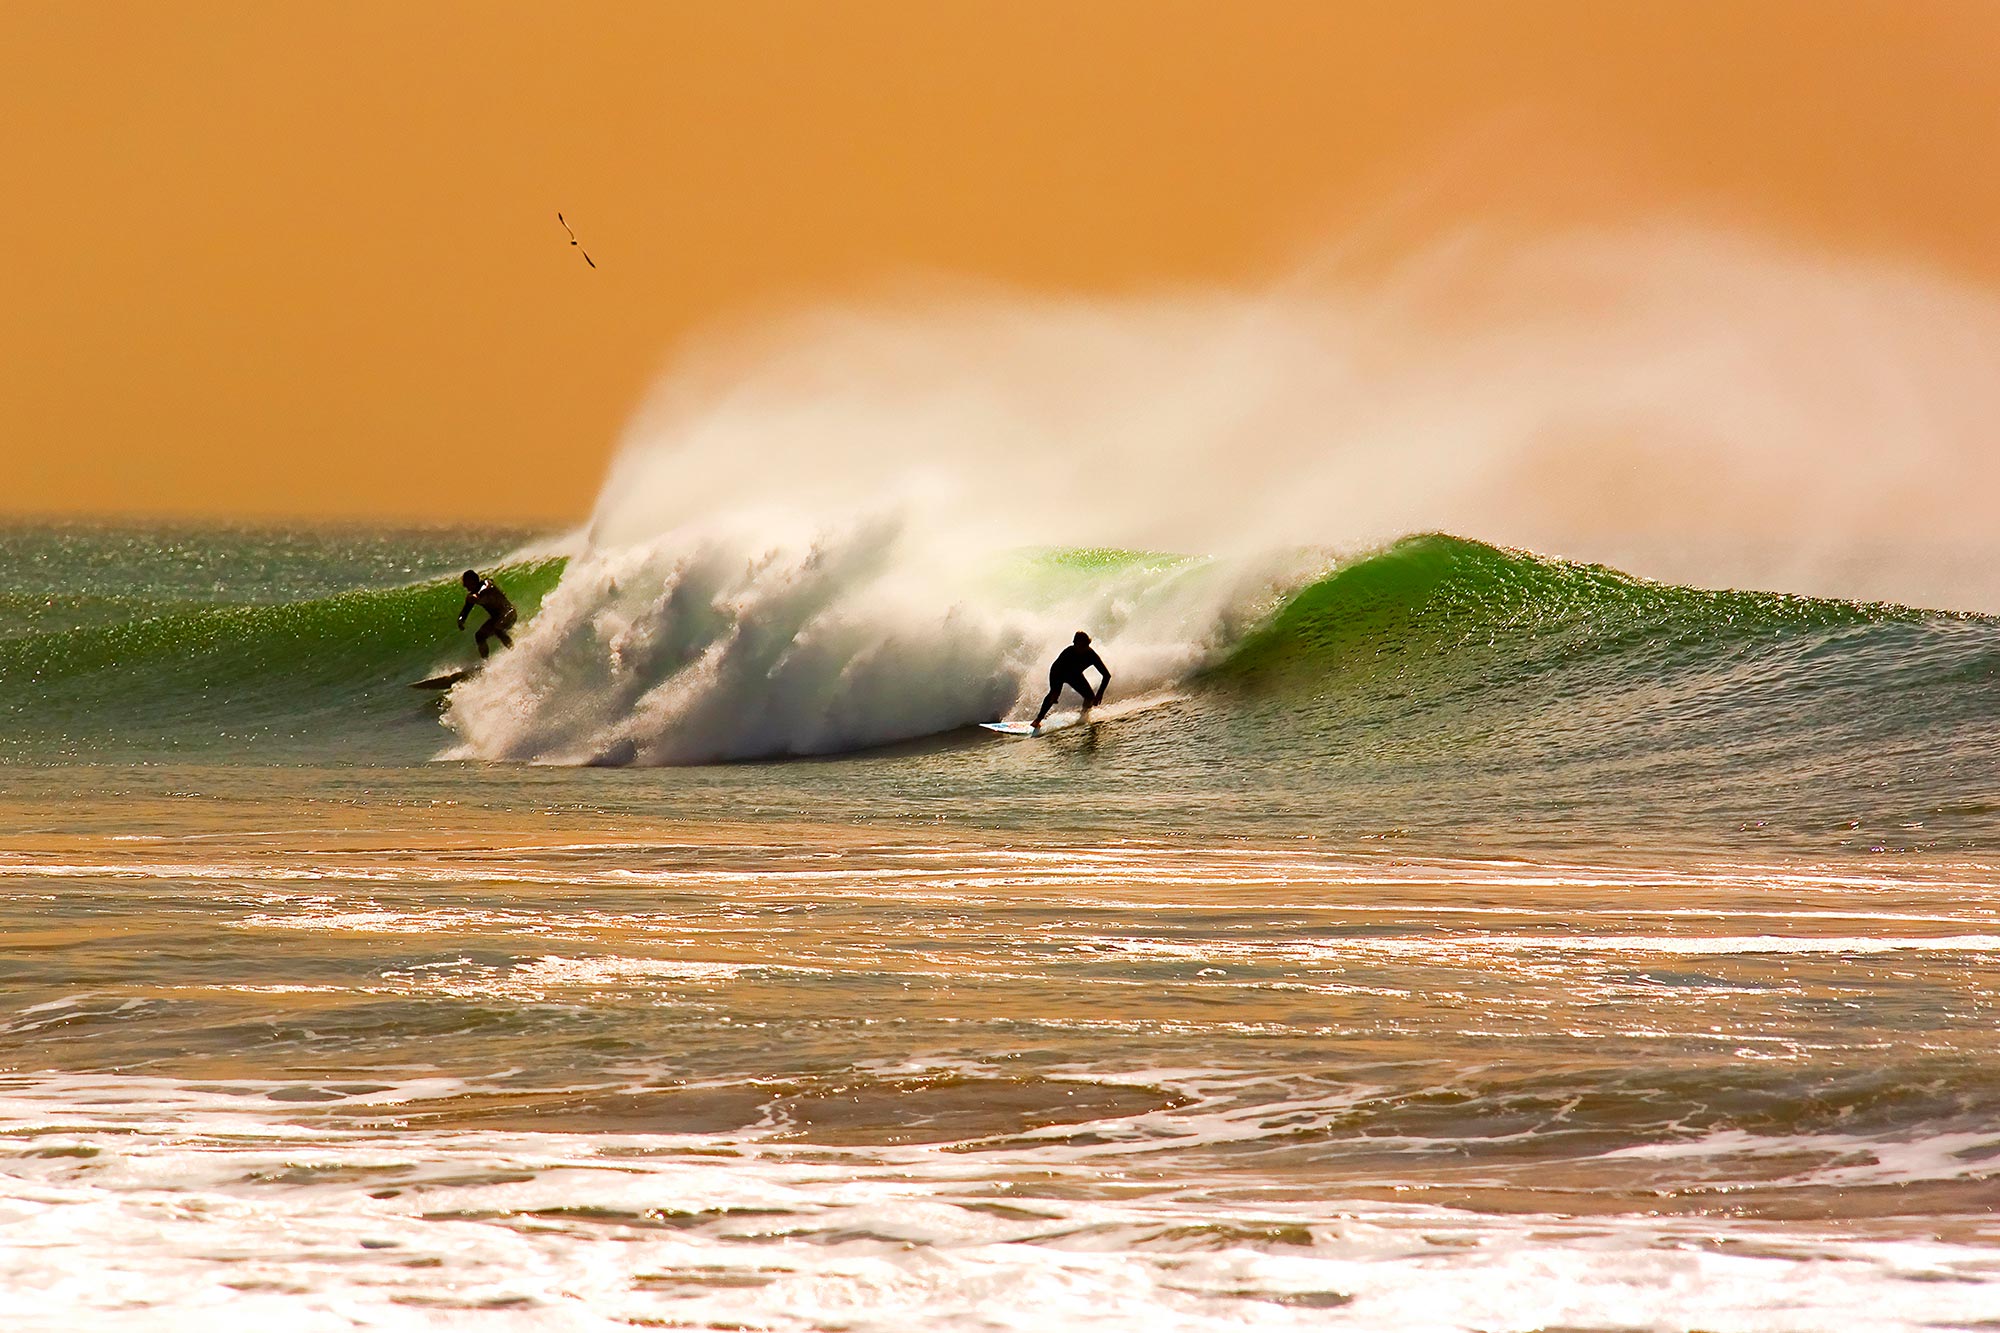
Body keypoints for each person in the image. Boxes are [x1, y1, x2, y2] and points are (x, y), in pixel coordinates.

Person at [1033, 631, 1111, 730]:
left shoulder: (1091, 655)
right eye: (1078, 645)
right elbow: (1056, 670)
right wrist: (1055, 691)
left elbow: (1106, 675)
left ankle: (1084, 717)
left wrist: (1100, 693)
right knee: (1054, 694)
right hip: (1058, 672)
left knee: (1090, 697)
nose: (1081, 648)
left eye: (1085, 645)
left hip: (1074, 675)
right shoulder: (1068, 652)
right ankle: (1037, 720)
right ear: (1074, 643)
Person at [457, 569, 517, 658]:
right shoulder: (472, 596)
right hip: (496, 617)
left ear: (473, 580)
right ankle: (486, 662)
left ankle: (514, 651)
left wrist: (478, 596)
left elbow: (486, 588)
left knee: (498, 629)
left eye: (466, 582)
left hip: (509, 613)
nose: (464, 585)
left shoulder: (487, 583)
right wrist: (461, 620)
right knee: (479, 636)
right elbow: (465, 611)